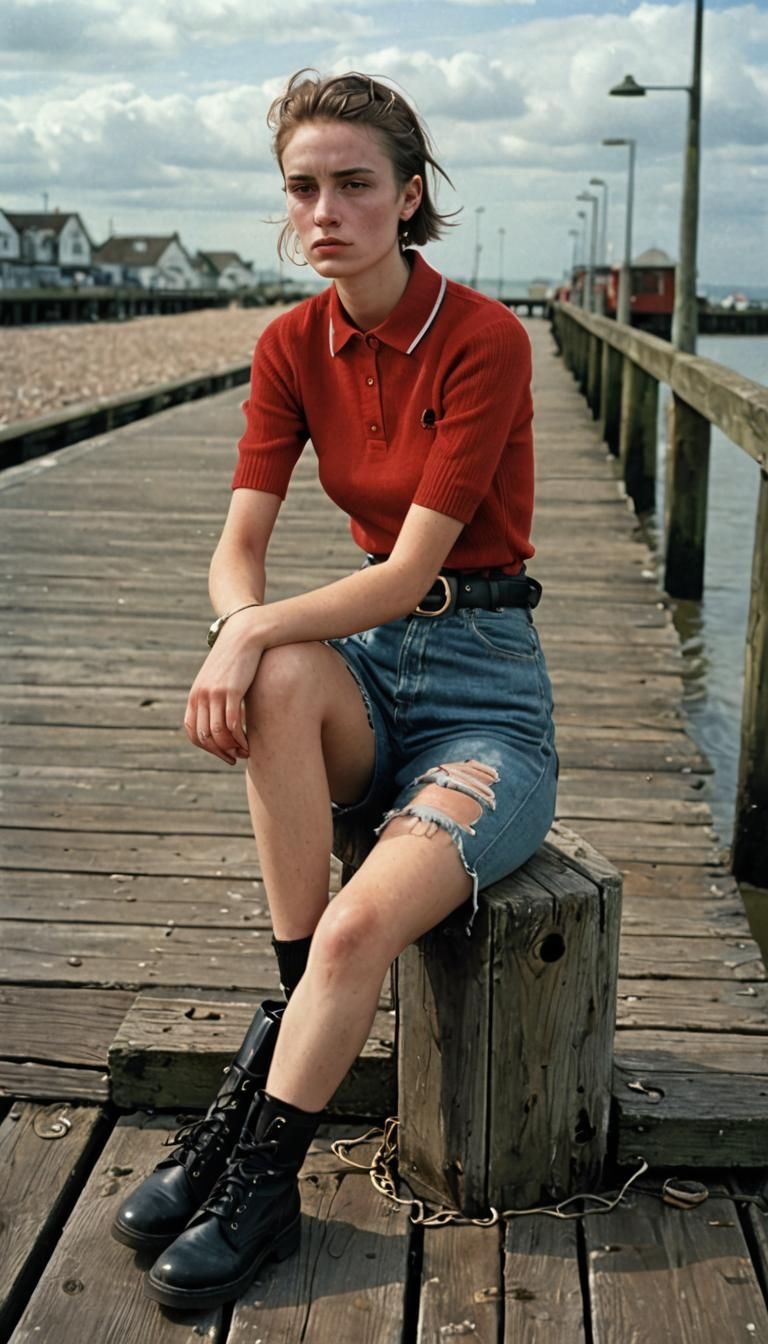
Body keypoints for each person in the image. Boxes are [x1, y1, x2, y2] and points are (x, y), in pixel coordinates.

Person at [112, 67, 558, 1311]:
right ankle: (280, 1025)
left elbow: (414, 567)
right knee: (283, 669)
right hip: (369, 670)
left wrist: (236, 640)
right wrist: (240, 629)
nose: (325, 210)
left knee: (365, 927)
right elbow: (237, 544)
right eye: (302, 187)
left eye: (355, 185)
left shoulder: (484, 338)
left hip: (485, 698)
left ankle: (259, 1177)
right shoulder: (288, 344)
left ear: (409, 197)